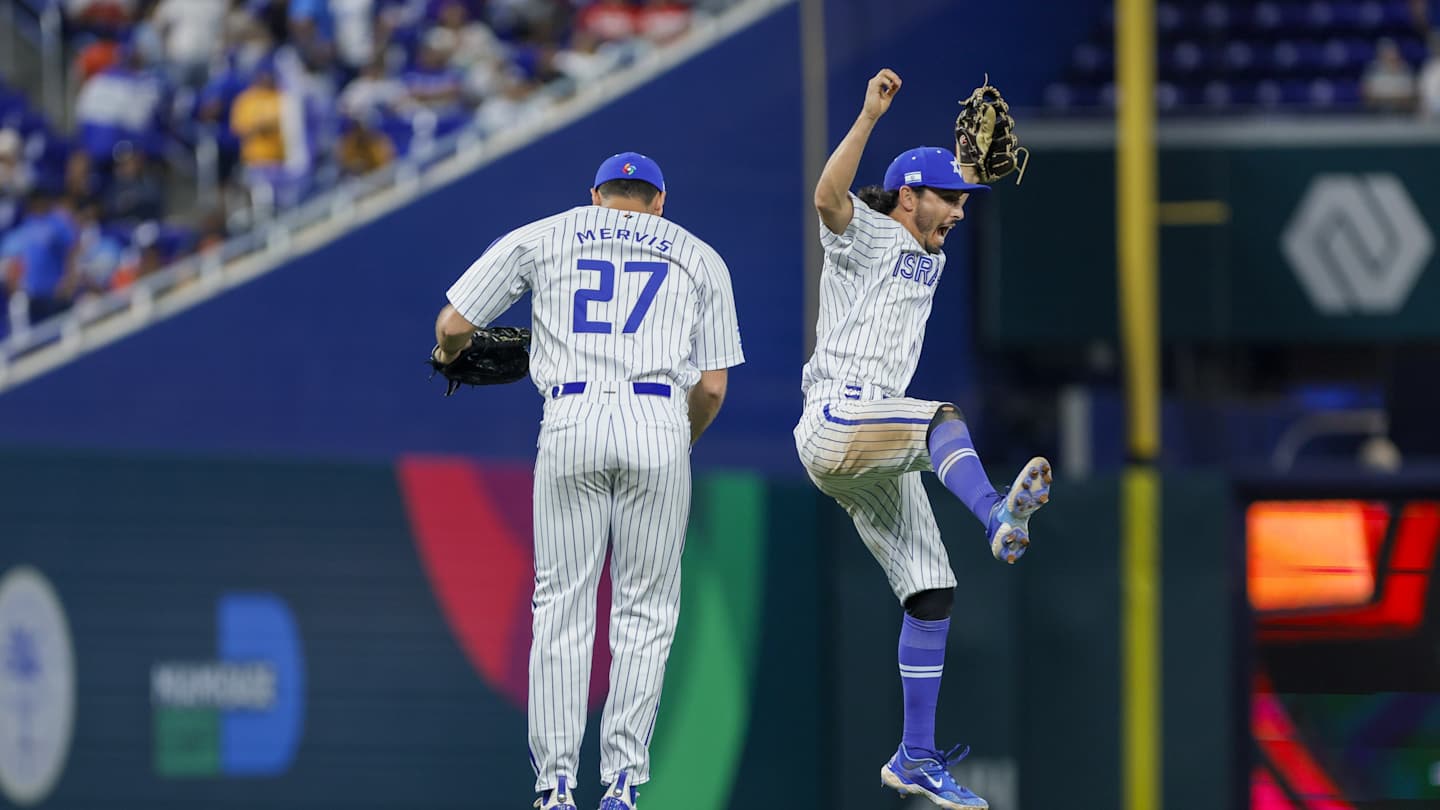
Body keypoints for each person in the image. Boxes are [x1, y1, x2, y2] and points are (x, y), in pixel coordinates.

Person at [430, 152, 743, 810]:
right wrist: (671, 446)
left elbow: (453, 324)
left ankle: (555, 785)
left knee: (562, 607)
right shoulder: (698, 255)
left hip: (570, 416)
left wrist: (450, 356)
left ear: (596, 194)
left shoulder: (548, 232)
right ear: (660, 201)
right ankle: (624, 781)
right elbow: (712, 388)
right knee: (646, 613)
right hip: (660, 417)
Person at [792, 69, 1051, 810]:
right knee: (942, 416)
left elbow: (933, 196)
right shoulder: (863, 232)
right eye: (951, 202)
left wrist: (958, 173)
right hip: (840, 420)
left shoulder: (927, 247)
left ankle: (915, 756)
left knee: (932, 592)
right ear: (908, 196)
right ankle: (998, 514)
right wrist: (871, 115)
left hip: (874, 450)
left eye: (964, 203)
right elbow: (827, 196)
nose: (962, 214)